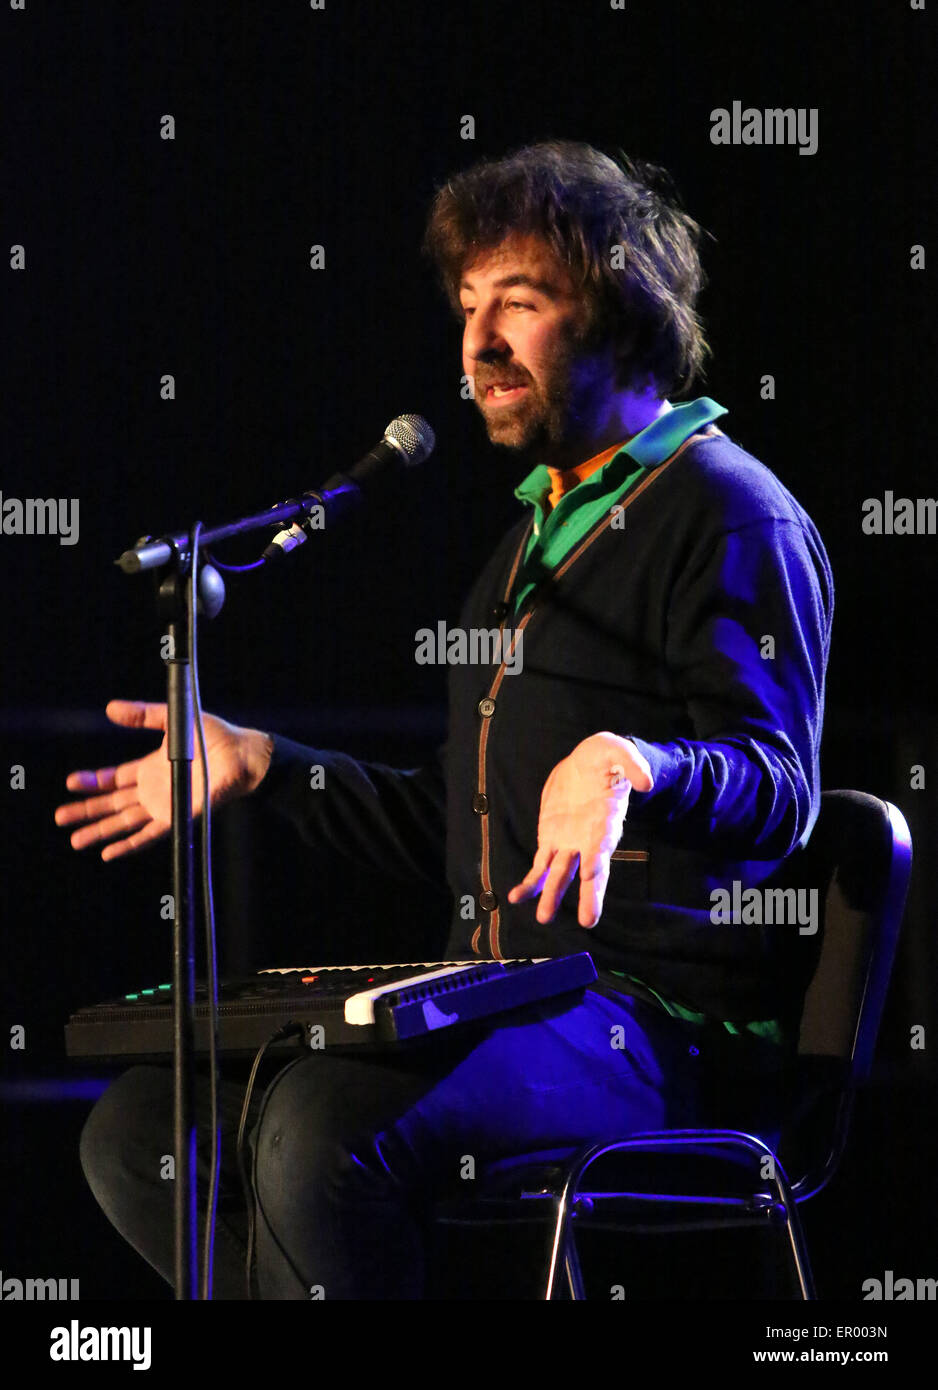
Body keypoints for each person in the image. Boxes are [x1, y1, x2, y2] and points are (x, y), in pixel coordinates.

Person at [55, 140, 834, 1300]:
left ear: (621, 313)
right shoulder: (530, 540)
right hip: (514, 1003)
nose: (476, 344)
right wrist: (268, 765)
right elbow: (455, 827)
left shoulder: (726, 513)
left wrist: (634, 761)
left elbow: (779, 785)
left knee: (320, 1126)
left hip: (666, 1036)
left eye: (517, 303)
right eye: (468, 305)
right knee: (143, 1129)